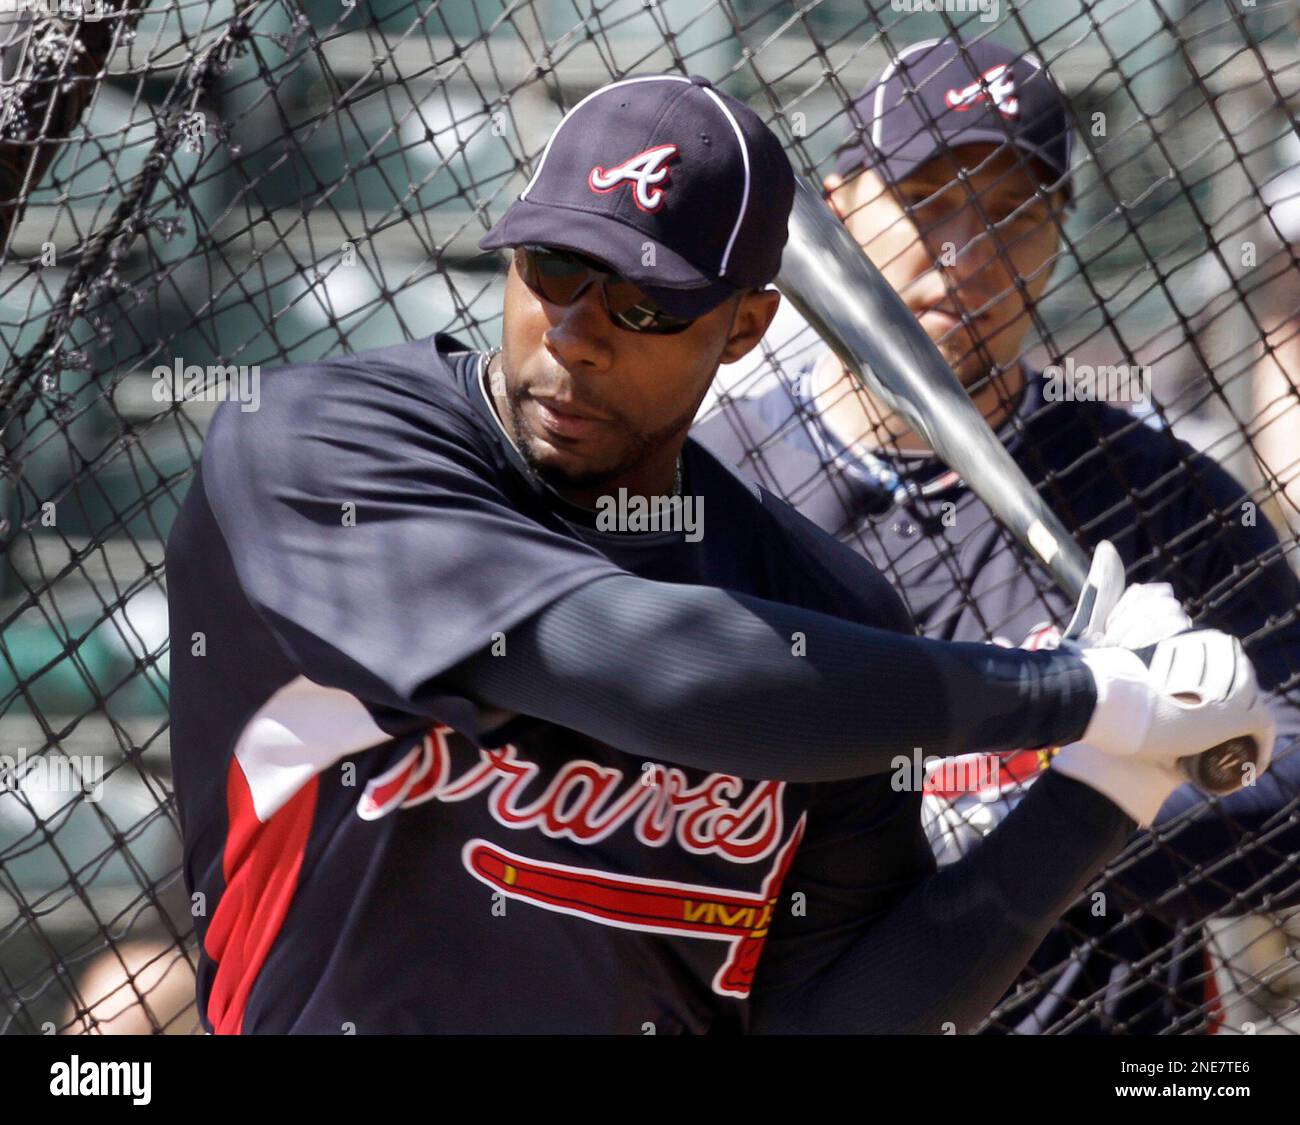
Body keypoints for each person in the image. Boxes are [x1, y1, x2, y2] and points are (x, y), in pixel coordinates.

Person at [165, 72, 1272, 1034]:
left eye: (647, 305)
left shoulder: (815, 600)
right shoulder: (320, 447)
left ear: (744, 328)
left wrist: (1108, 779)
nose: (575, 334)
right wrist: (1073, 692)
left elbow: (837, 1019)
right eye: (553, 268)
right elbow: (644, 663)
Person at [694, 38, 1300, 1033]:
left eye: (1015, 214)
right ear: (842, 209)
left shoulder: (1158, 496)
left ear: (1060, 236)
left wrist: (1069, 813)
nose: (966, 254)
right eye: (926, 200)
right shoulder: (716, 490)